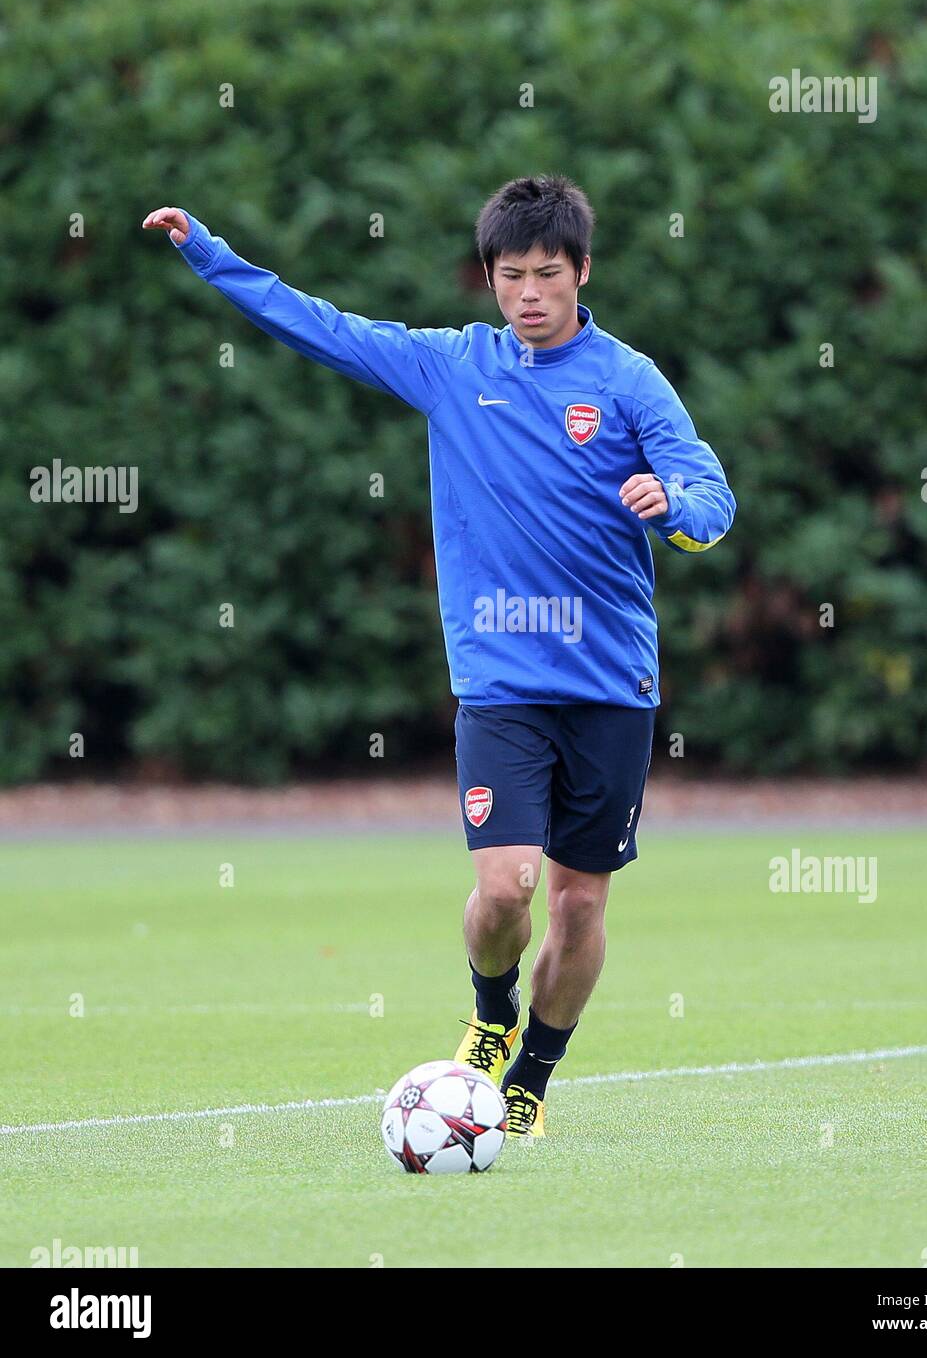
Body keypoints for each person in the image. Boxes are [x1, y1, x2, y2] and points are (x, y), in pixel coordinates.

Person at [142, 174, 735, 1140]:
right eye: (511, 275)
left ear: (582, 272)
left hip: (610, 685)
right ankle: (491, 1015)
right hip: (500, 681)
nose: (530, 292)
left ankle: (532, 1081)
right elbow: (321, 325)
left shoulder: (629, 381)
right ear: (489, 278)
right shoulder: (451, 366)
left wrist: (679, 513)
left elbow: (706, 486)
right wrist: (209, 254)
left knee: (580, 908)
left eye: (549, 273)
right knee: (506, 888)